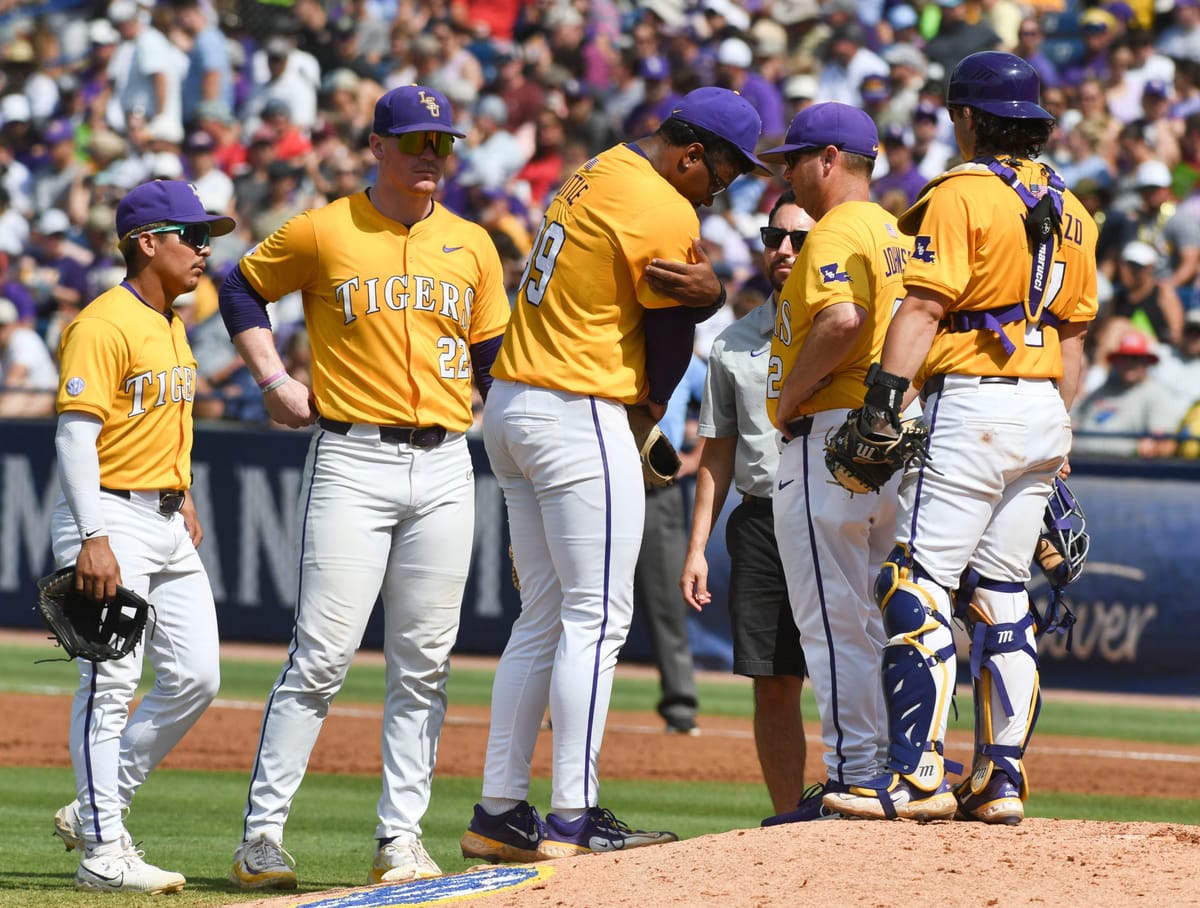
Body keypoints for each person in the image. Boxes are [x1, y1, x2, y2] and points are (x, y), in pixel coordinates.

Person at [460, 86, 767, 864]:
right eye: (723, 170)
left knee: (542, 617)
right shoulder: (665, 204)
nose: (726, 186)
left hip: (511, 405)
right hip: (579, 406)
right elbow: (669, 325)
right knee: (597, 619)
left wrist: (710, 297)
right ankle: (573, 814)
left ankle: (499, 811)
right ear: (689, 153)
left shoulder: (597, 168)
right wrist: (654, 406)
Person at [217, 85, 509, 889]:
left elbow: (494, 365)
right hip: (353, 456)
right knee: (321, 656)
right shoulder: (325, 227)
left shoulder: (474, 244)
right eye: (415, 140)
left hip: (449, 460)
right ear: (375, 145)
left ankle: (399, 840)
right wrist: (272, 375)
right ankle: (262, 837)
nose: (430, 155)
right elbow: (238, 285)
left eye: (441, 142)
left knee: (425, 663)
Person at [821, 52, 1098, 825]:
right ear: (1036, 125)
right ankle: (1001, 780)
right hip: (1043, 406)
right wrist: (1059, 429)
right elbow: (1074, 338)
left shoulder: (958, 194)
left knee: (914, 583)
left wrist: (882, 402)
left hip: (969, 403)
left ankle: (913, 778)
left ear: (969, 119)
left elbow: (921, 311)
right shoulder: (1076, 208)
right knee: (1005, 596)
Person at [48, 179, 232, 892]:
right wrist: (93, 534)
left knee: (197, 677)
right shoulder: (104, 322)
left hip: (160, 515)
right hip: (110, 517)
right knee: (111, 680)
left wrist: (180, 492)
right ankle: (102, 853)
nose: (204, 248)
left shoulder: (173, 321)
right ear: (146, 242)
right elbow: (74, 435)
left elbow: (155, 422)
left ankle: (96, 808)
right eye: (192, 234)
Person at [752, 103, 909, 824]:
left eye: (794, 158)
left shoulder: (838, 229)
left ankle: (854, 772)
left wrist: (788, 396)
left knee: (831, 617)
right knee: (878, 612)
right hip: (886, 434)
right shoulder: (893, 230)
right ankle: (901, 761)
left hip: (830, 436)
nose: (786, 170)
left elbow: (843, 321)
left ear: (828, 159)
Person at [680, 190, 815, 814]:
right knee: (773, 680)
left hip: (837, 513)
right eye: (772, 237)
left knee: (864, 670)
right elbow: (717, 453)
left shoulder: (861, 325)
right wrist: (698, 547)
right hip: (761, 518)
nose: (783, 249)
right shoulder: (734, 342)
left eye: (797, 237)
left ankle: (874, 804)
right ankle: (790, 816)